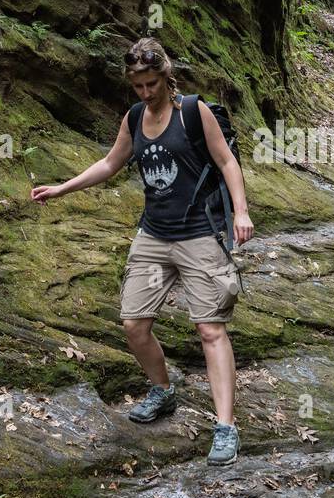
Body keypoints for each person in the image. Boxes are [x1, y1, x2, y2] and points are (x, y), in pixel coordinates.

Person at [30, 37, 254, 466]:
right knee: (134, 324)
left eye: (152, 84)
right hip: (153, 235)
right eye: (138, 87)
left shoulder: (193, 112)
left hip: (199, 235)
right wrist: (62, 188)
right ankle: (163, 390)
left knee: (210, 330)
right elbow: (111, 163)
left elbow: (227, 162)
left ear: (166, 78)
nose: (146, 94)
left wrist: (240, 212)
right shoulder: (133, 118)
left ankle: (225, 428)